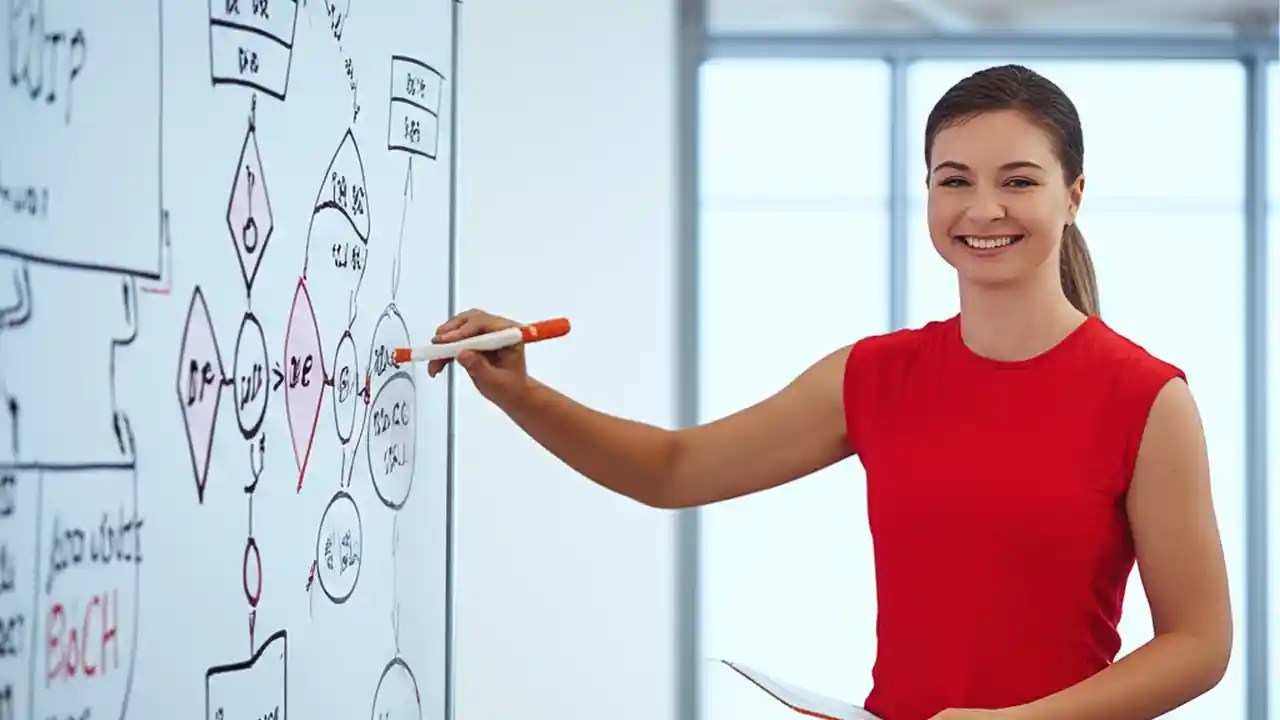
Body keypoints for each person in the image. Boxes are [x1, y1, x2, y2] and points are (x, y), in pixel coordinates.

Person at [428, 64, 1232, 720]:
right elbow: (673, 470)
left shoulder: (1147, 398)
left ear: (1074, 195)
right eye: (954, 180)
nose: (983, 209)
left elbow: (1199, 644)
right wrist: (520, 395)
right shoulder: (874, 376)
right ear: (928, 192)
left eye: (1018, 181)